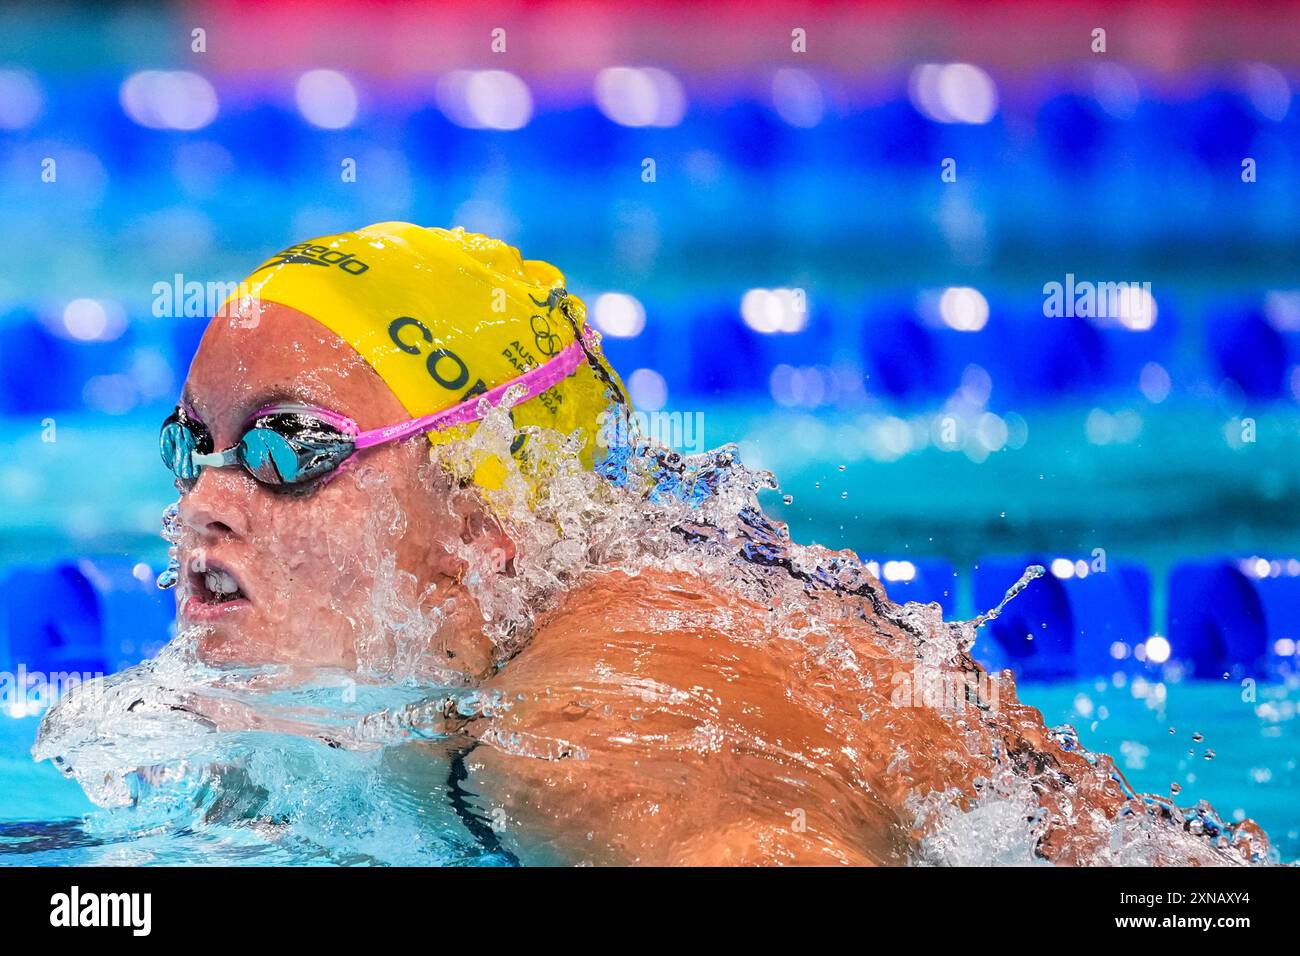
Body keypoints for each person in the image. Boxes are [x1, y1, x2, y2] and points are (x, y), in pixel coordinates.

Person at [161, 222, 1268, 865]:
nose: (206, 500)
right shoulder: (405, 687)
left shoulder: (594, 716)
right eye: (193, 444)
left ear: (479, 527)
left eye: (285, 448)